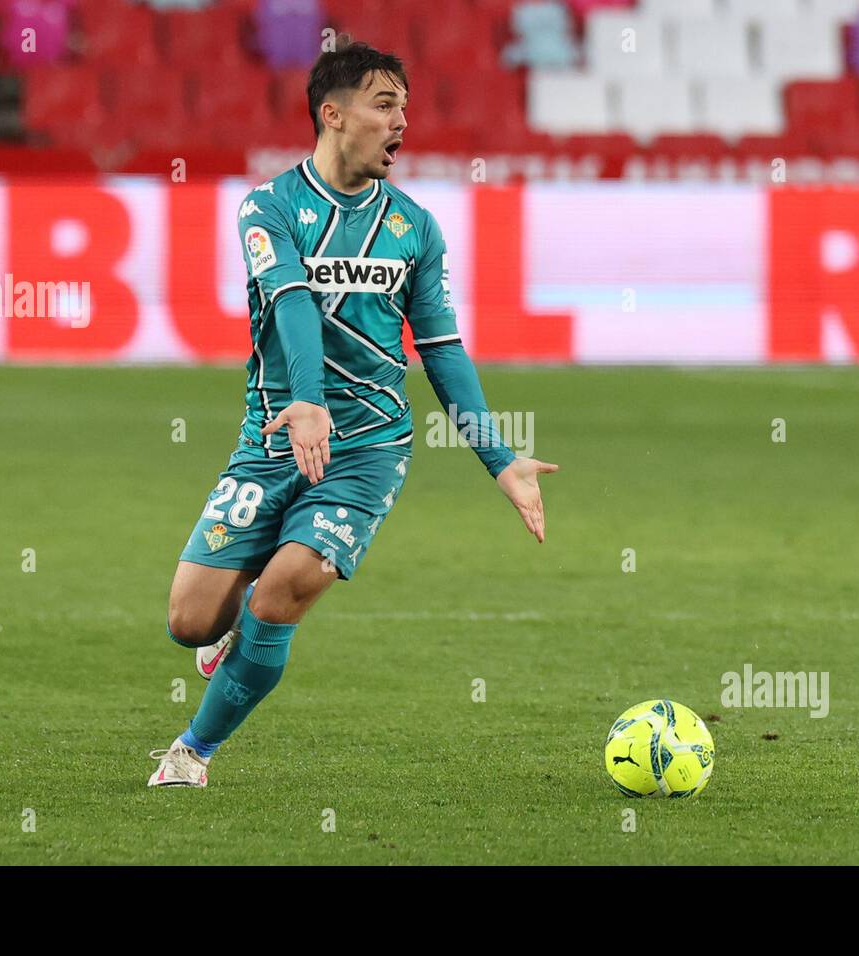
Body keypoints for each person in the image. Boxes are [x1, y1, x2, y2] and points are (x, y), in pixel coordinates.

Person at [148, 37, 559, 787]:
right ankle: (226, 638)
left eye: (405, 106)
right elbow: (292, 301)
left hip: (368, 451)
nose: (402, 121)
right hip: (273, 437)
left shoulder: (415, 228)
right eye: (384, 104)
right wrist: (304, 401)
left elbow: (440, 348)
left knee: (283, 591)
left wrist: (500, 457)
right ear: (332, 114)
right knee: (189, 623)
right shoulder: (270, 209)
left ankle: (191, 752)